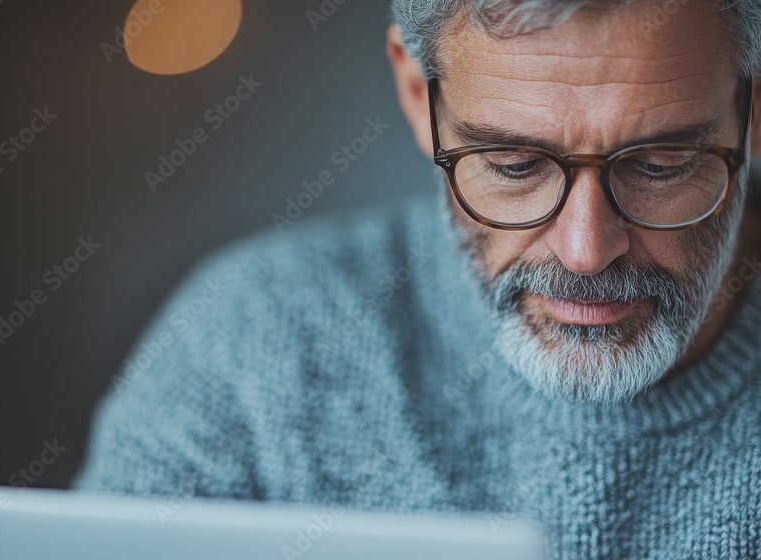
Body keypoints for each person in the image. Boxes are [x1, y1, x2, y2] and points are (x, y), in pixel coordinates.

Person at [74, 1, 761, 557]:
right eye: (513, 163)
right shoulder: (249, 342)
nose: (585, 251)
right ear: (416, 96)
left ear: (753, 110)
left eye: (662, 164)